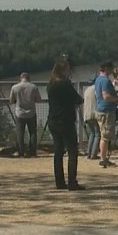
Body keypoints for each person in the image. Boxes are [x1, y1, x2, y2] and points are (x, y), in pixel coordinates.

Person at [46, 60, 85, 190]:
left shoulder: (50, 84)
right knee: (73, 151)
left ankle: (60, 182)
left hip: (53, 119)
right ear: (63, 70)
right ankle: (72, 182)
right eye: (68, 69)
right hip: (66, 120)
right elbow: (78, 99)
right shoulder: (65, 84)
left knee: (58, 152)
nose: (69, 72)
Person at [8, 72, 42, 158]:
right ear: (28, 78)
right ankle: (32, 152)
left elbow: (11, 101)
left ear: (21, 78)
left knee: (20, 134)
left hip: (19, 113)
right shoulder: (33, 87)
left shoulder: (14, 87)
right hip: (31, 113)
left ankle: (21, 153)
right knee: (33, 133)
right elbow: (39, 100)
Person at [93, 61, 118, 168]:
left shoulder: (98, 79)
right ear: (107, 68)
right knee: (105, 135)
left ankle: (103, 157)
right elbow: (106, 96)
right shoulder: (105, 81)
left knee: (104, 135)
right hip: (106, 110)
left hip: (101, 109)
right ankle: (103, 159)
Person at [82, 80, 100, 159]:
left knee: (92, 134)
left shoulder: (87, 90)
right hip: (94, 114)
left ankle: (89, 153)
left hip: (86, 114)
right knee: (97, 134)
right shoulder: (96, 89)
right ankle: (94, 154)